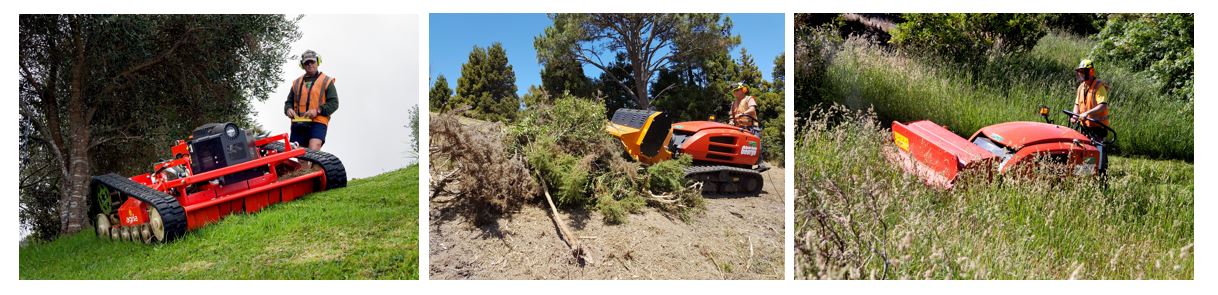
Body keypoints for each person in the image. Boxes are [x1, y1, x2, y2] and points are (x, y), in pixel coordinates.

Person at [285, 50, 339, 154]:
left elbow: (334, 103)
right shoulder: (296, 83)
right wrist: (288, 109)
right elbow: (288, 102)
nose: (310, 64)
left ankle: (316, 167)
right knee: (301, 155)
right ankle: (306, 171)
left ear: (317, 62)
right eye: (306, 63)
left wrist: (317, 110)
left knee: (314, 149)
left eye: (312, 62)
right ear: (302, 65)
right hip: (298, 122)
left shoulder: (326, 81)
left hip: (318, 121)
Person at [728, 82, 769, 171]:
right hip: (739, 128)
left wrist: (742, 114)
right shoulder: (734, 102)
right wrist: (731, 121)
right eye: (734, 91)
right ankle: (742, 165)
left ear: (743, 90)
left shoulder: (749, 99)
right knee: (740, 147)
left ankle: (761, 164)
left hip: (752, 127)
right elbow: (731, 115)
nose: (735, 92)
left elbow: (752, 109)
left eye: (737, 90)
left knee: (756, 146)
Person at [1072, 59, 1110, 141]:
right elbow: (1077, 104)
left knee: (1096, 150)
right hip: (1085, 126)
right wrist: (1075, 115)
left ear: (1091, 72)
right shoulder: (1081, 87)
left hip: (1098, 128)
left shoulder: (1099, 86)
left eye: (1083, 71)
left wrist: (1087, 113)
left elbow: (1103, 106)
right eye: (1079, 71)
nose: (1081, 74)